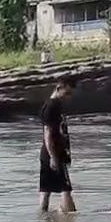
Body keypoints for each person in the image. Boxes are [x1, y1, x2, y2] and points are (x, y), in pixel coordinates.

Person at [38, 78, 77, 213]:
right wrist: (54, 157)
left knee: (46, 189)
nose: (68, 97)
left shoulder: (55, 105)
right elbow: (47, 134)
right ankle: (71, 220)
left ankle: (43, 221)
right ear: (59, 87)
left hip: (50, 154)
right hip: (54, 153)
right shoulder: (51, 106)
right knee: (65, 189)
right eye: (67, 93)